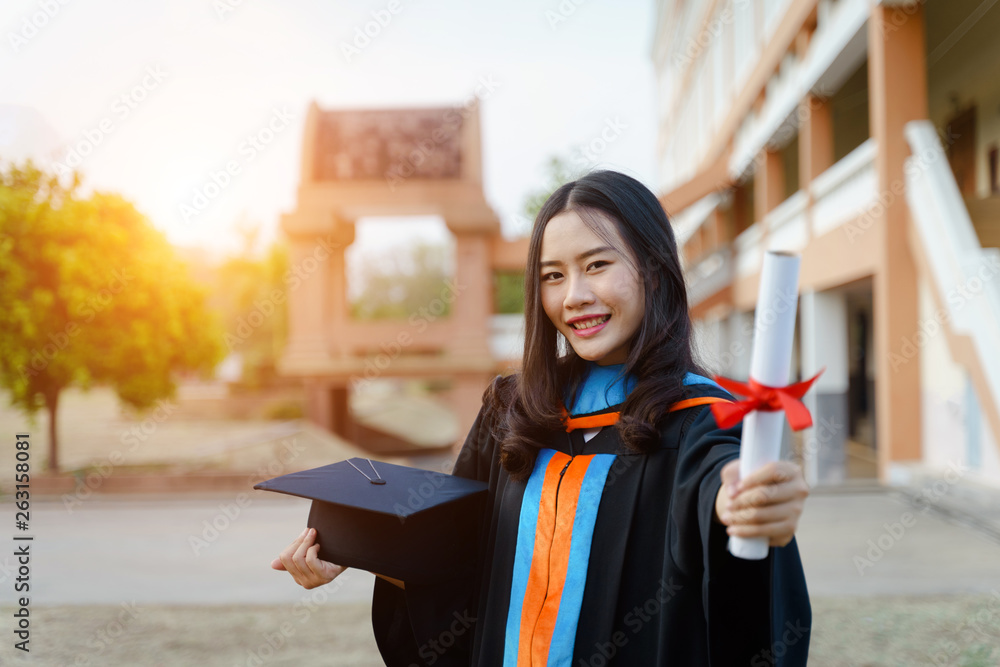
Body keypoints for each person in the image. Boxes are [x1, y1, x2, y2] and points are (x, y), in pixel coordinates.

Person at [272, 170, 812, 666]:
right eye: (553, 276)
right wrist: (359, 551)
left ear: (653, 268)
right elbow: (458, 557)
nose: (574, 296)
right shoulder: (513, 411)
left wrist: (741, 505)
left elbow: (719, 491)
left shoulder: (699, 418)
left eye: (597, 265)